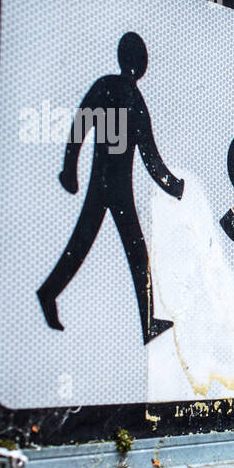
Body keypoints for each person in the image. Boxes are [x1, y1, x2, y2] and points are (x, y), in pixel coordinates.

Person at [37, 32, 184, 343]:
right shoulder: (132, 99)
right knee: (123, 252)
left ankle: (50, 293)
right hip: (115, 188)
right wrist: (175, 186)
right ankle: (50, 294)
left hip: (107, 185)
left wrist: (69, 168)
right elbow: (151, 158)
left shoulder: (106, 86)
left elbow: (80, 126)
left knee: (93, 247)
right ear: (139, 63)